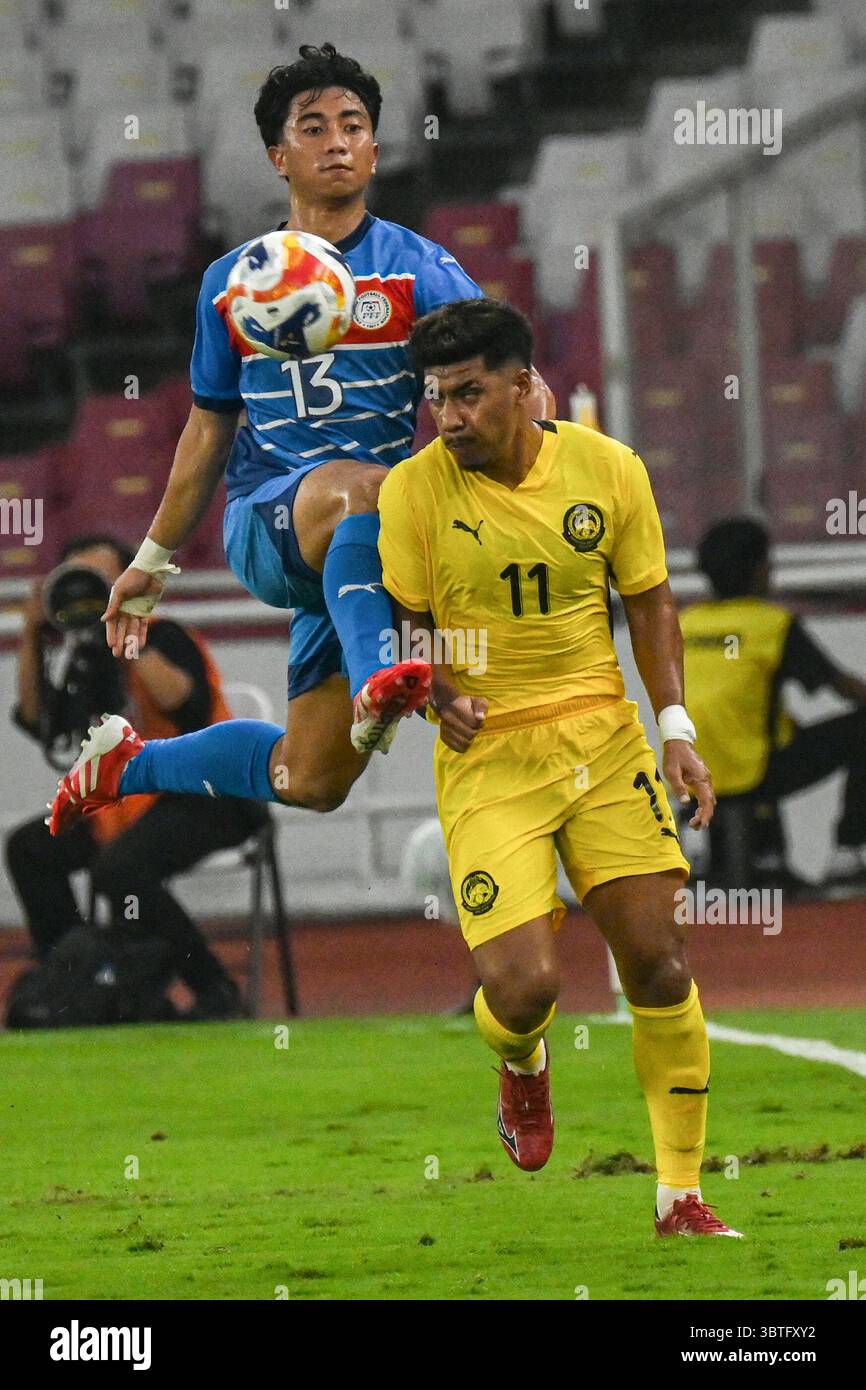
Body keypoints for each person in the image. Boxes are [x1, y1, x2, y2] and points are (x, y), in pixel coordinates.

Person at [48, 42, 551, 837]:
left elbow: (505, 380)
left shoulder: (418, 270)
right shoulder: (233, 282)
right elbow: (207, 431)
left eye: (353, 125)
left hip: (372, 544)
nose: (338, 140)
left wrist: (543, 431)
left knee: (310, 778)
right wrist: (150, 562)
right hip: (270, 521)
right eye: (313, 128)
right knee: (362, 487)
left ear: (377, 150)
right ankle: (385, 673)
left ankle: (127, 762)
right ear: (278, 156)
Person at [377, 298, 742, 1238]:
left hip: (602, 738)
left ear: (522, 387)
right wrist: (434, 693)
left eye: (467, 394)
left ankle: (681, 1195)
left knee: (659, 960)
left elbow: (651, 603)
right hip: (489, 752)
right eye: (435, 398)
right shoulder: (413, 492)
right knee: (524, 989)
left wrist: (675, 726)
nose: (448, 417)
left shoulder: (608, 469)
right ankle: (521, 1064)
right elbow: (411, 626)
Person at [8, 534, 265, 1019]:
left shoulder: (165, 636)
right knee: (30, 849)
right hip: (124, 807)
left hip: (210, 795)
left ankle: (214, 988)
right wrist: (33, 633)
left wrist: (124, 630)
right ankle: (76, 980)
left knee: (119, 870)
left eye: (103, 584)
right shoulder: (83, 658)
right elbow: (38, 720)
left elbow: (182, 703)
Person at [683, 517, 866, 885]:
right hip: (755, 773)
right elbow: (842, 686)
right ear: (759, 568)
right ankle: (847, 852)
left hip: (689, 772)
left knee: (778, 729)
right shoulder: (771, 625)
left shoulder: (685, 624)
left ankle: (762, 855)